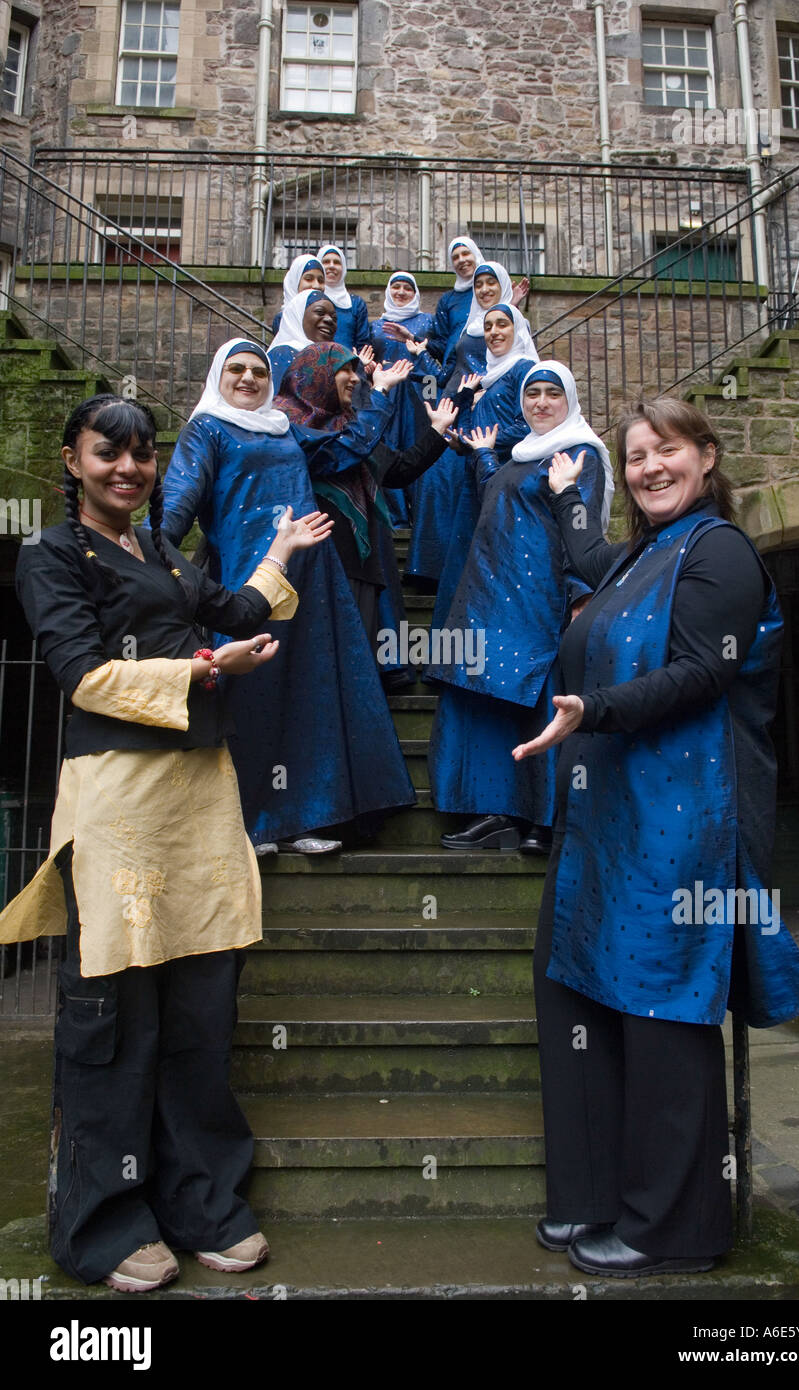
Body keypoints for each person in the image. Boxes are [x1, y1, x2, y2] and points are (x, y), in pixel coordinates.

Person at [0, 393, 331, 1293]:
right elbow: (85, 676)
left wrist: (281, 551)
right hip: (118, 807)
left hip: (198, 803)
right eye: (109, 452)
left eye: (144, 455)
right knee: (114, 1016)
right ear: (71, 459)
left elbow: (235, 607)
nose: (129, 469)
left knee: (199, 1010)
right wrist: (202, 669)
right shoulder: (51, 553)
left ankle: (202, 1201)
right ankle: (103, 1220)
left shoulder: (165, 555)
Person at [516, 396, 799, 1275]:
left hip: (687, 823)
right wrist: (563, 493)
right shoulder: (636, 555)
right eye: (636, 457)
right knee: (572, 995)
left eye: (667, 451)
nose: (650, 468)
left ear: (706, 455)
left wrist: (594, 709)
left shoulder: (717, 550)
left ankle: (673, 1231)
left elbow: (701, 671)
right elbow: (583, 559)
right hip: (608, 819)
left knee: (661, 1010)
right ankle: (593, 1200)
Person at [160, 339, 418, 851]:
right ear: (219, 376)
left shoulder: (286, 430)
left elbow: (353, 446)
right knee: (252, 689)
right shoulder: (206, 429)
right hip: (248, 580)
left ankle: (305, 817)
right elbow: (177, 505)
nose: (249, 379)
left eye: (258, 370)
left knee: (310, 691)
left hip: (313, 578)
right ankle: (251, 821)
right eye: (236, 369)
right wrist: (149, 560)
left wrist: (375, 393)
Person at [428, 361, 612, 854]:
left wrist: (579, 594)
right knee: (483, 703)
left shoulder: (579, 454)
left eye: (553, 393)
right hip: (487, 594)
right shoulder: (518, 457)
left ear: (569, 400)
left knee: (539, 700)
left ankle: (545, 820)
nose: (541, 402)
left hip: (540, 596)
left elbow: (582, 525)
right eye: (533, 394)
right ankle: (494, 814)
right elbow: (498, 493)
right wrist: (485, 455)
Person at [274, 342, 458, 661]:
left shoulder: (354, 426)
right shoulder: (287, 426)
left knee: (356, 663)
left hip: (359, 565)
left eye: (353, 369)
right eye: (343, 369)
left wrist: (437, 431)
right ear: (316, 376)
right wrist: (381, 393)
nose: (356, 378)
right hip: (309, 565)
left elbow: (398, 470)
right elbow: (341, 454)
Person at [430, 302, 539, 627]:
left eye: (502, 324)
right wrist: (462, 441)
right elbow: (484, 430)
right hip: (474, 476)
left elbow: (528, 426)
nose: (493, 332)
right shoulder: (487, 378)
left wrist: (486, 444)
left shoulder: (524, 370)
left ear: (517, 329)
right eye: (488, 326)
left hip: (505, 478)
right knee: (467, 564)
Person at [369, 272, 436, 528]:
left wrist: (411, 339)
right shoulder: (376, 326)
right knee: (387, 446)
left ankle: (419, 516)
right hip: (387, 390)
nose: (401, 292)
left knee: (417, 444)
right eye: (395, 287)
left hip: (418, 390)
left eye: (407, 287)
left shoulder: (427, 322)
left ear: (415, 293)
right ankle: (395, 518)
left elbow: (434, 356)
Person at [425, 235, 484, 375]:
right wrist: (415, 339)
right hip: (455, 370)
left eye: (465, 253)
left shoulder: (490, 291)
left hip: (484, 365)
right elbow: (442, 343)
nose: (462, 260)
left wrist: (512, 304)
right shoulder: (447, 299)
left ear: (475, 254)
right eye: (456, 257)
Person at [268, 288, 338, 395]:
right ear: (298, 315)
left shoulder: (334, 359)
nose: (329, 320)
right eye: (320, 312)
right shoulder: (282, 354)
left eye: (334, 318)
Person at [317, 243, 371, 352]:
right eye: (326, 262)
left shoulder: (356, 303)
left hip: (348, 365)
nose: (331, 266)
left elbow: (363, 343)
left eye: (337, 262)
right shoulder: (310, 299)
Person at [269, 253, 326, 336]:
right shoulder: (284, 319)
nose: (316, 285)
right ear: (295, 282)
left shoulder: (328, 317)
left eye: (321, 281)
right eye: (309, 279)